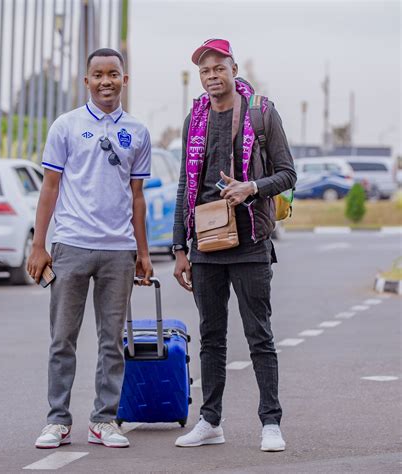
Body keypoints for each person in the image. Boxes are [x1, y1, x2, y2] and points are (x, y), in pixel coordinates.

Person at [172, 39, 297, 451]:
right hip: (206, 243)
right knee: (211, 337)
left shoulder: (261, 113)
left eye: (218, 68)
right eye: (205, 70)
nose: (212, 76)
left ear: (233, 70)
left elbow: (288, 174)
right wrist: (179, 248)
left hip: (250, 240)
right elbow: (184, 185)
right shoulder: (195, 118)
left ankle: (271, 423)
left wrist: (251, 187)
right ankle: (210, 421)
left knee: (259, 335)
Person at [28, 48, 153, 449]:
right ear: (87, 81)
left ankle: (104, 420)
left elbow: (137, 196)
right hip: (71, 245)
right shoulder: (65, 126)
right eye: (98, 74)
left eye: (113, 74)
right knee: (62, 338)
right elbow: (50, 188)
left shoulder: (138, 132)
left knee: (111, 340)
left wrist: (143, 252)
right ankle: (57, 421)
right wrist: (39, 245)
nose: (105, 81)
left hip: (119, 250)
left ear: (124, 80)